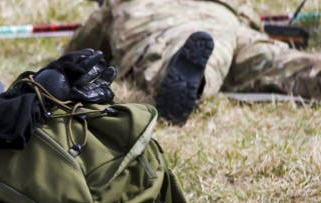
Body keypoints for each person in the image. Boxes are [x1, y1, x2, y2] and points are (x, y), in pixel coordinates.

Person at [67, 0, 321, 125]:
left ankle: (190, 82)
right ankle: (314, 72)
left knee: (169, 56)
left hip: (163, 25)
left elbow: (79, 51)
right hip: (227, 19)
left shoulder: (119, 4)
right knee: (273, 60)